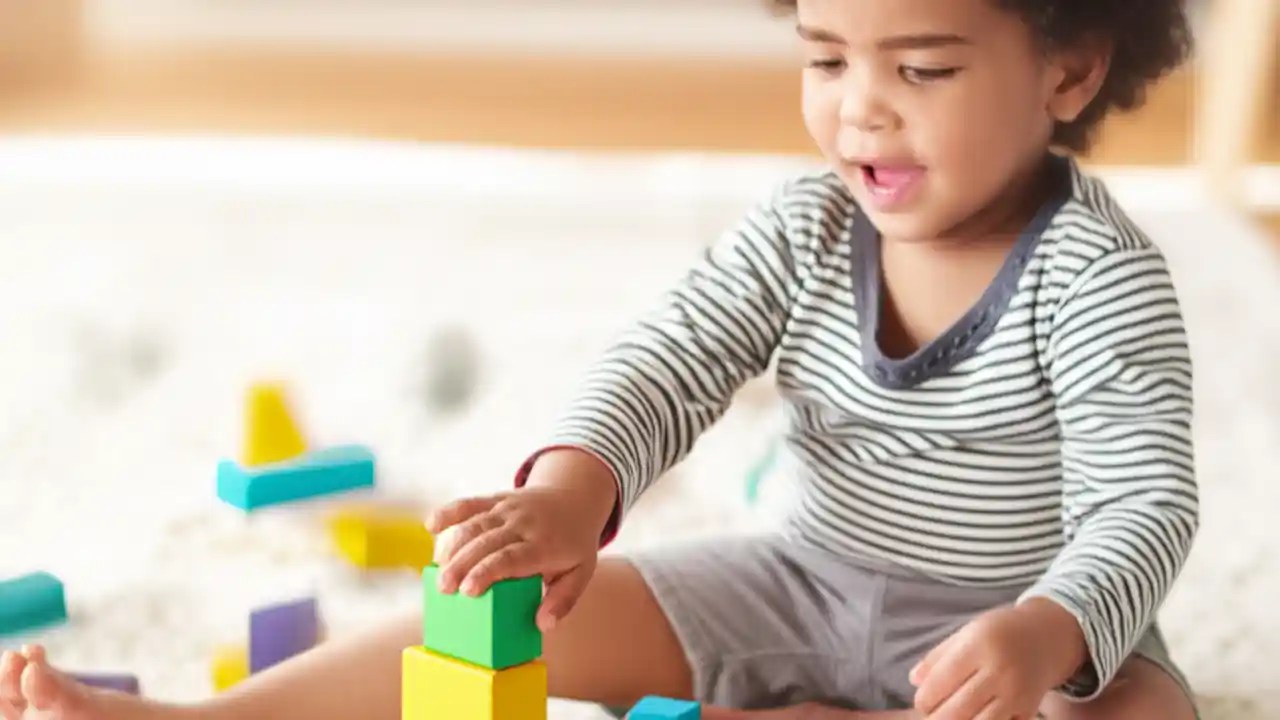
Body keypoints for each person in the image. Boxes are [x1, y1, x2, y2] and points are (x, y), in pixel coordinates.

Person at [0, 0, 1201, 717]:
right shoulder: (806, 226)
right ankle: (218, 718)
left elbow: (1140, 504)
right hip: (797, 581)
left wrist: (1044, 632)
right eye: (826, 58)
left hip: (1009, 625)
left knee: (1145, 710)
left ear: (1068, 68)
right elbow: (669, 360)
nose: (859, 112)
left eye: (920, 69)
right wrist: (572, 497)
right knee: (484, 606)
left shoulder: (1096, 279)